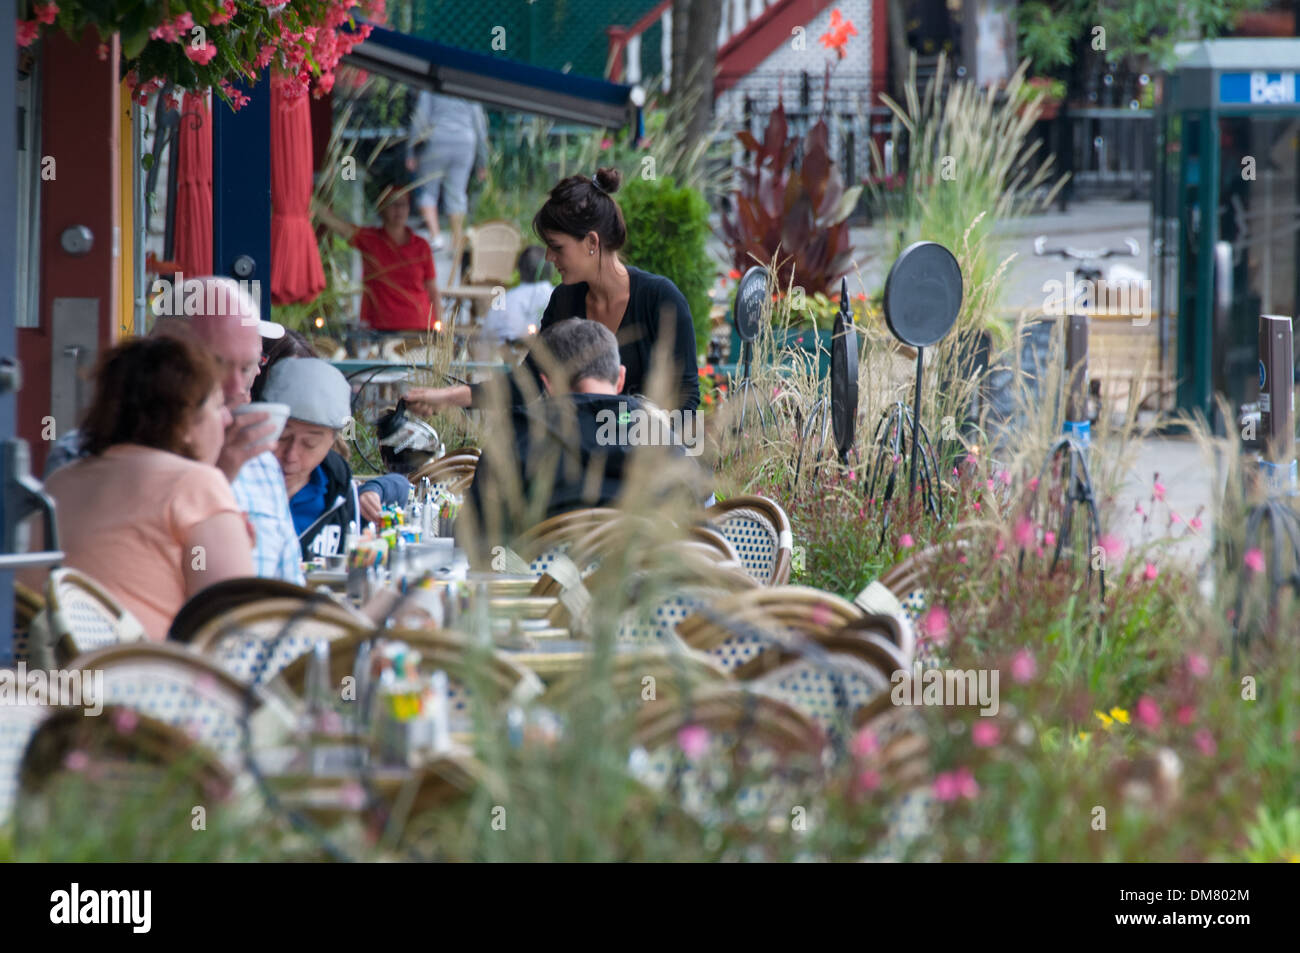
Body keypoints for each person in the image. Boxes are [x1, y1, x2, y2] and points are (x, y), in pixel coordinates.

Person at [43, 277, 306, 586]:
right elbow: (123, 584)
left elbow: (287, 591)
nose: (235, 389)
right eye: (216, 366)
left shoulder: (260, 461)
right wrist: (215, 476)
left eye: (247, 367)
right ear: (165, 365)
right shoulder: (83, 455)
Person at [405, 167, 700, 415]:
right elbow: (525, 385)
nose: (548, 258)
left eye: (557, 247)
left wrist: (641, 450)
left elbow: (687, 402)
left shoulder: (660, 300)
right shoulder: (565, 300)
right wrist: (448, 398)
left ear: (592, 242)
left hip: (645, 466)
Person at [43, 336, 255, 640]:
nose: (226, 419)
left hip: (49, 681)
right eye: (218, 405)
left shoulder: (58, 483)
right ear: (183, 422)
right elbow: (232, 630)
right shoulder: (196, 485)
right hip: (144, 679)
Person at [462, 318, 708, 547]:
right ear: (620, 378)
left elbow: (472, 542)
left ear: (548, 383)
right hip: (643, 589)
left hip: (538, 590)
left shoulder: (515, 434)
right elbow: (700, 533)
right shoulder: (660, 435)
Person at [259, 357, 411, 558]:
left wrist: (370, 491)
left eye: (310, 444)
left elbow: (401, 486)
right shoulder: (238, 487)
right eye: (283, 437)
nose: (291, 455)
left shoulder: (336, 490)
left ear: (332, 441)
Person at [316, 182, 439, 332]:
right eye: (393, 204)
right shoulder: (370, 240)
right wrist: (310, 203)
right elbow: (338, 226)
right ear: (382, 209)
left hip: (419, 327)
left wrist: (440, 326)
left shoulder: (421, 246)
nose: (399, 210)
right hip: (380, 328)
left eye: (403, 204)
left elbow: (433, 290)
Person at [408, 90, 489, 255]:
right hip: (466, 142)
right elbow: (479, 125)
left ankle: (435, 236)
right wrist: (483, 160)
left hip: (436, 139)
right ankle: (457, 240)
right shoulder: (468, 86)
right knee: (457, 192)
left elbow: (420, 118)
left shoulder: (431, 86)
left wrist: (411, 151)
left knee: (428, 189)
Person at [479, 245, 552, 354]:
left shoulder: (505, 299)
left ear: (519, 269)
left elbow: (485, 336)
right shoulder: (555, 295)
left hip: (496, 360)